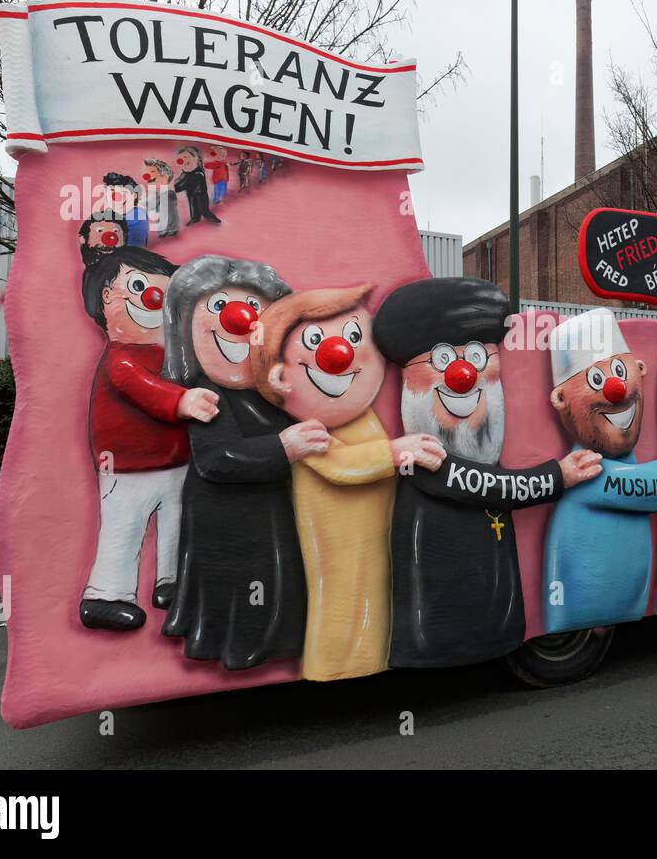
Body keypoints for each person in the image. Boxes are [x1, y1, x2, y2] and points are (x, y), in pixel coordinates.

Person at [372, 278, 602, 666]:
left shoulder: (482, 452)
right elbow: (482, 486)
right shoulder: (425, 457)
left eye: (478, 357)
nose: (463, 374)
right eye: (442, 360)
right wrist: (556, 476)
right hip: (441, 600)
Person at [252, 285, 444, 680]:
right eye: (317, 341)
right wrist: (393, 453)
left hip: (375, 532)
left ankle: (368, 659)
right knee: (344, 599)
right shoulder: (306, 431)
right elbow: (338, 465)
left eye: (354, 338)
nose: (338, 352)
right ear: (278, 375)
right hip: (339, 538)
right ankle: (335, 665)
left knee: (374, 595)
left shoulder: (360, 417)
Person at [160, 255, 318, 670]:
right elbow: (217, 459)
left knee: (275, 572)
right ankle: (241, 643)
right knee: (243, 581)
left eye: (256, 310)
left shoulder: (267, 395)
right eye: (218, 307)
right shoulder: (206, 395)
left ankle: (277, 637)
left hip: (268, 512)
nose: (239, 319)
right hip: (225, 517)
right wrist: (282, 448)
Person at [543, 308, 657, 633]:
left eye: (620, 371)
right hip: (581, 610)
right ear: (561, 398)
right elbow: (644, 488)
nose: (616, 388)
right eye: (596, 379)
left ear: (639, 370)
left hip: (619, 606)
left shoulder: (614, 459)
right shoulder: (585, 470)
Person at [78, 247, 219, 630]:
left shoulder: (171, 352)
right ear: (107, 297)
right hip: (127, 466)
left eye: (163, 291)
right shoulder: (121, 358)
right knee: (124, 527)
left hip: (175, 459)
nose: (154, 300)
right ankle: (105, 596)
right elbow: (138, 386)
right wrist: (183, 400)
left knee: (178, 522)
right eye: (140, 287)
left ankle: (171, 582)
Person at [174, 146, 223, 226]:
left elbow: (186, 184)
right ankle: (195, 218)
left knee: (204, 209)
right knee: (193, 208)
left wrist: (175, 188)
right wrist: (175, 184)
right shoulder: (185, 173)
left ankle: (209, 216)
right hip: (191, 194)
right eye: (182, 158)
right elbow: (180, 181)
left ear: (196, 158)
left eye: (186, 157)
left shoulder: (198, 173)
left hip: (201, 194)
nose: (183, 160)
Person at [141, 158, 180, 239]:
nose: (148, 175)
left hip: (169, 226)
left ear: (165, 176)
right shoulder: (156, 192)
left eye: (152, 172)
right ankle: (166, 229)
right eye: (147, 172)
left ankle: (169, 229)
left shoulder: (167, 193)